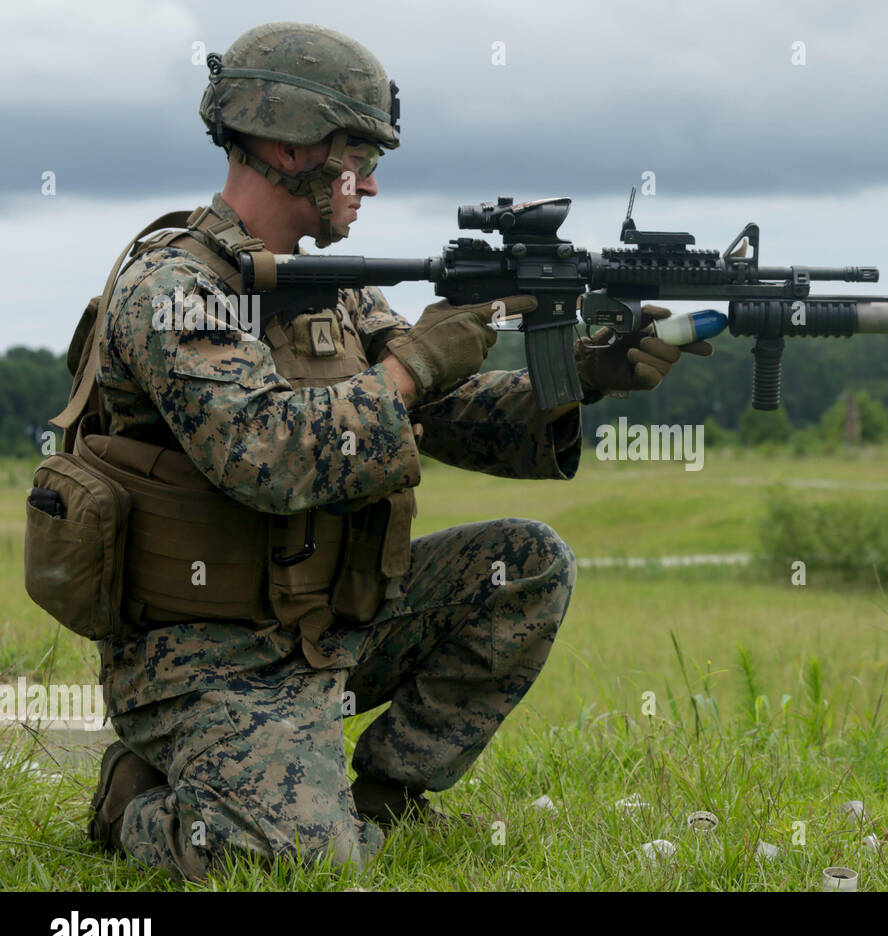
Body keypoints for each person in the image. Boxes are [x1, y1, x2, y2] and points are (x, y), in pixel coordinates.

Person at [71, 21, 711, 881]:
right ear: (283, 142)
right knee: (292, 864)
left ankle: (382, 798)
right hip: (203, 659)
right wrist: (413, 365)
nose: (369, 182)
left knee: (524, 562)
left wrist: (587, 376)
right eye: (355, 154)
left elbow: (447, 412)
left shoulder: (336, 289)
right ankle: (134, 803)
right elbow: (263, 455)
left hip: (324, 632)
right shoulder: (174, 291)